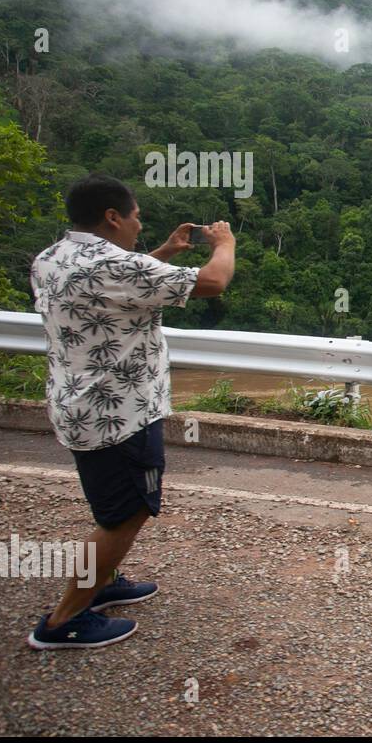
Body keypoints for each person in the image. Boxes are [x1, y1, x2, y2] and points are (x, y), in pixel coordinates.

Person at [26, 174, 236, 650]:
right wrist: (224, 242)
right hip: (120, 413)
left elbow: (118, 285)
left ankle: (102, 581)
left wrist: (163, 251)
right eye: (136, 215)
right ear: (112, 216)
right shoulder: (112, 265)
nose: (139, 225)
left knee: (108, 504)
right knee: (125, 514)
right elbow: (214, 281)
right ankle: (64, 621)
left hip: (76, 406)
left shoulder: (51, 258)